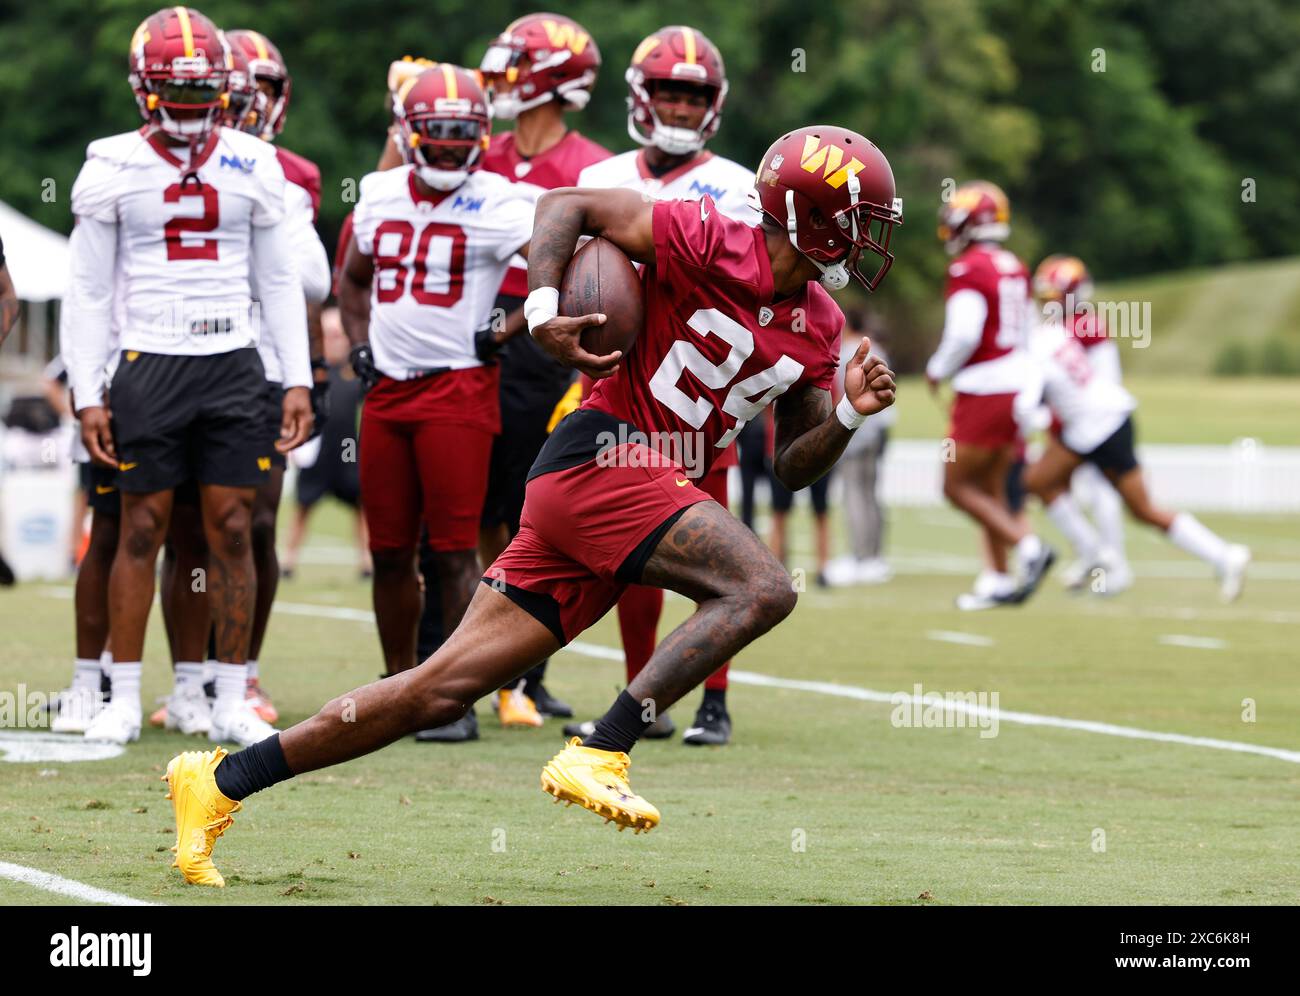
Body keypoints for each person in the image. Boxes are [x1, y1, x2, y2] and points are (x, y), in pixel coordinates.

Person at [162, 124, 901, 887]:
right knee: (765, 587)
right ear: (812, 214)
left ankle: (217, 782)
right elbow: (566, 201)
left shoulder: (822, 324)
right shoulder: (708, 232)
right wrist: (544, 307)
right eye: (864, 218)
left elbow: (792, 466)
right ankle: (602, 747)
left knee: (435, 689)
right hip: (605, 455)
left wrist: (845, 415)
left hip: (635, 485)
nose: (872, 238)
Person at [62, 7, 313, 746]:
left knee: (232, 528)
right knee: (139, 526)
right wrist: (86, 392)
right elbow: (88, 291)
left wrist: (294, 378)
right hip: (148, 357)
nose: (191, 106)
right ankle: (122, 695)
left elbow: (277, 284)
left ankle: (227, 693)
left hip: (235, 360)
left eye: (202, 90)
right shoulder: (111, 163)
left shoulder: (254, 161)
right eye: (178, 90)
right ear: (144, 88)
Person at [336, 65, 540, 742]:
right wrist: (358, 342)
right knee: (390, 551)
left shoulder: (505, 200)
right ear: (408, 134)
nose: (451, 148)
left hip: (459, 384)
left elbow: (568, 265)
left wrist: (509, 324)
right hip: (388, 391)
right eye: (437, 135)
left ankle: (451, 696)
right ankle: (399, 687)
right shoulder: (379, 193)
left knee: (453, 552)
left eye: (463, 136)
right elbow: (353, 279)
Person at [565, 24, 754, 746]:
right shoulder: (602, 177)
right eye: (668, 93)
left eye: (692, 96)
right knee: (635, 558)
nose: (678, 108)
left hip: (696, 386)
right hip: (619, 385)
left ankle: (716, 698)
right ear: (642, 97)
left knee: (716, 550)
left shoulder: (738, 187)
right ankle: (646, 697)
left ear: (713, 104)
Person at [437, 12, 611, 738]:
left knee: (528, 507)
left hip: (547, 346)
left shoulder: (590, 169)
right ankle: (475, 661)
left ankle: (521, 670)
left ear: (551, 79)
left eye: (514, 66)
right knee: (469, 510)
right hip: (467, 344)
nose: (499, 79)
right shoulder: (477, 149)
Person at [1016, 307, 1250, 601]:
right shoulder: (1052, 333)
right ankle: (1222, 555)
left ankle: (1097, 554)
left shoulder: (1032, 352)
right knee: (1052, 484)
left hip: (1095, 428)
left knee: (1049, 484)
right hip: (1104, 418)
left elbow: (1026, 409)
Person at [926, 181, 1054, 609]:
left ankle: (1029, 546)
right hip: (1018, 383)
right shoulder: (1013, 265)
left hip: (986, 386)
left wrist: (937, 368)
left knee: (955, 486)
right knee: (992, 487)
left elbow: (964, 333)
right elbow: (1029, 331)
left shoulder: (969, 269)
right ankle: (998, 578)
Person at [1031, 255, 1133, 593]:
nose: (1046, 304)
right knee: (1057, 488)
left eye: (1053, 296)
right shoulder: (1059, 328)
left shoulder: (1084, 326)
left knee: (1101, 491)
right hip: (1071, 422)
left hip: (1091, 423)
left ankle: (1112, 563)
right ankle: (1094, 556)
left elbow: (1104, 379)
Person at [281, 307, 369, 579]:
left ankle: (367, 561)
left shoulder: (356, 373)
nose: (336, 340)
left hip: (348, 455)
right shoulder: (311, 374)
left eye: (340, 335)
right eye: (330, 334)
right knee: (302, 506)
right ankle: (288, 559)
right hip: (318, 453)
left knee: (361, 508)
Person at [824, 310, 894, 585]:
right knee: (871, 493)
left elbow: (840, 392)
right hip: (879, 429)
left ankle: (861, 557)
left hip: (858, 430)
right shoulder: (877, 348)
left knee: (854, 494)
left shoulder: (849, 352)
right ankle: (875, 556)